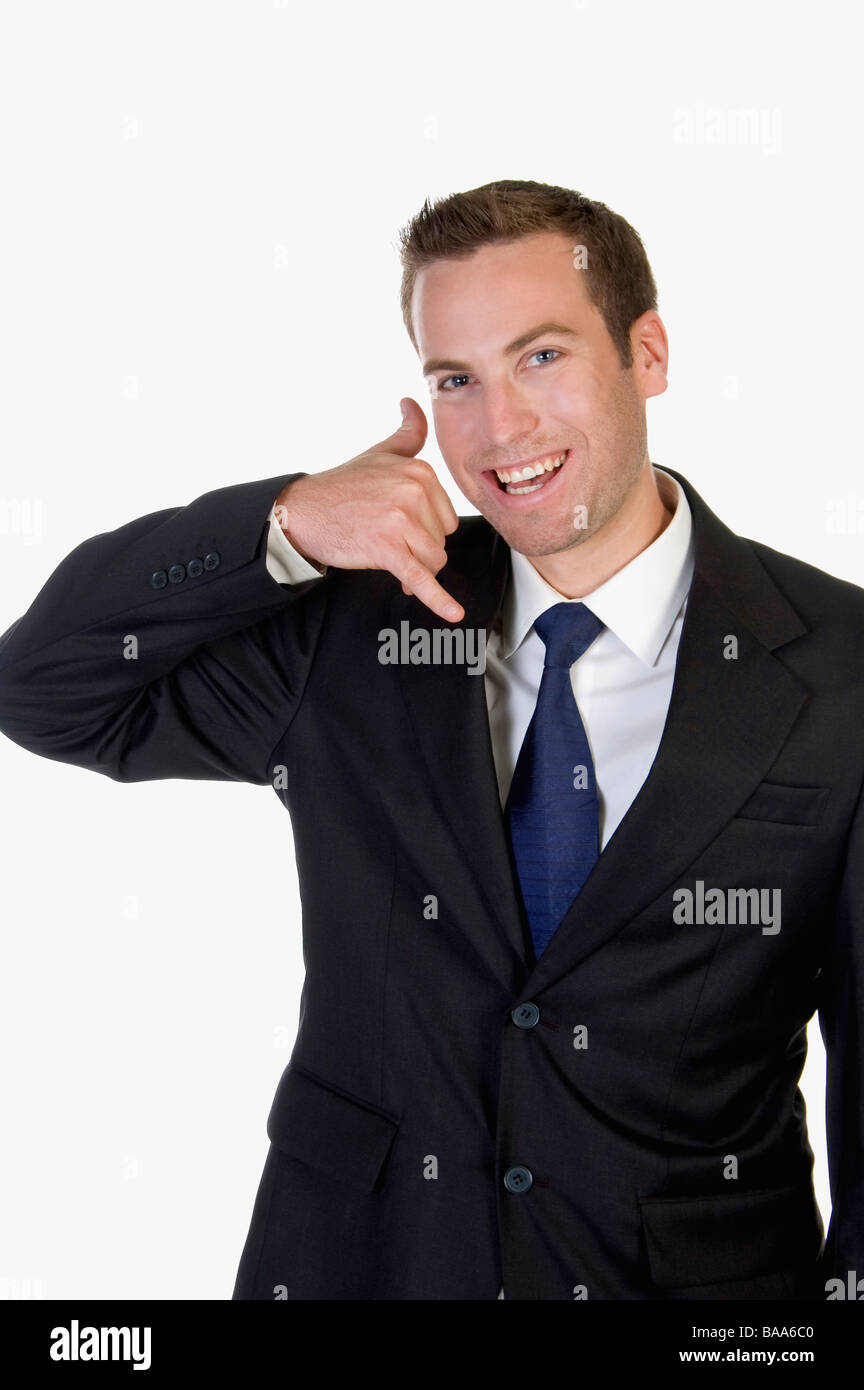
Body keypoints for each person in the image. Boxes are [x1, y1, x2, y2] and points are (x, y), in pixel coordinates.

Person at [0, 180, 860, 1301]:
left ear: (646, 352)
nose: (500, 428)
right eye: (457, 379)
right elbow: (47, 687)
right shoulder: (352, 622)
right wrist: (283, 525)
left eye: (541, 356)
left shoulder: (841, 670)